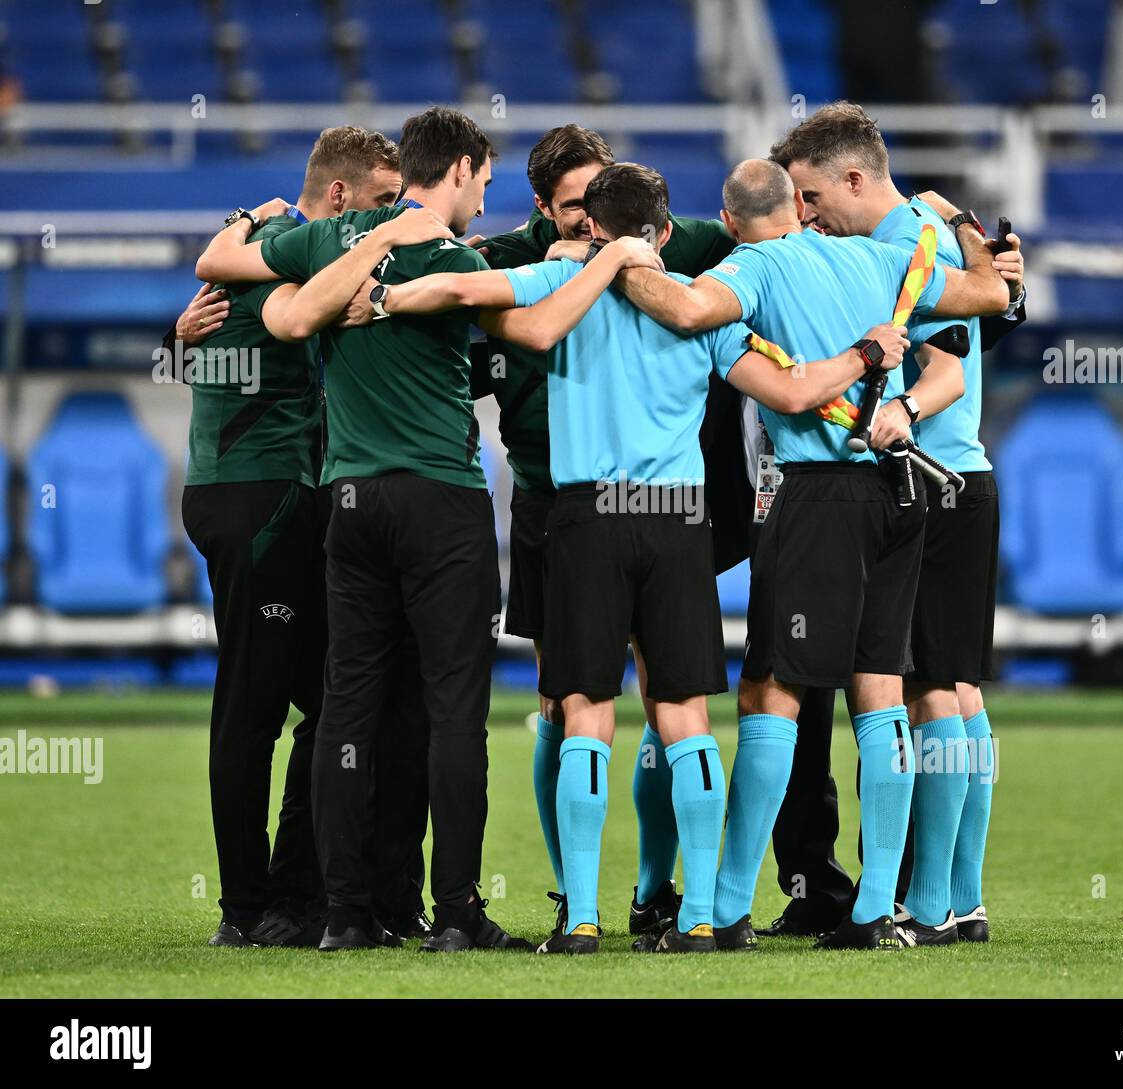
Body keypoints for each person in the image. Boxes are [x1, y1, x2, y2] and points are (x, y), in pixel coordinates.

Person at [369, 162, 911, 953]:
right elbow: (791, 390)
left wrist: (384, 297)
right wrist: (869, 357)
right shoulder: (701, 310)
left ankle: (582, 919)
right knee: (684, 717)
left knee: (585, 712)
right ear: (663, 230)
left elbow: (459, 292)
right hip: (677, 518)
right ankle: (698, 918)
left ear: (589, 224)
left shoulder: (557, 284)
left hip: (587, 512)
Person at [612, 157, 1010, 950]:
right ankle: (879, 912)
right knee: (882, 690)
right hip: (901, 496)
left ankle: (723, 912)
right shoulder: (880, 256)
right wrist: (965, 229)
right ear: (800, 204)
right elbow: (990, 297)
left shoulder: (752, 266)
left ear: (730, 222)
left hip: (818, 494)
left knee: (770, 695)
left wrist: (620, 264)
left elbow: (690, 312)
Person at [194, 107, 527, 952]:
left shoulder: (325, 246)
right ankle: (278, 907)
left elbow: (262, 316)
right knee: (308, 706)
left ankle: (341, 905)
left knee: (341, 705)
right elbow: (528, 323)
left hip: (334, 500)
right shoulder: (379, 246)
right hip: (307, 497)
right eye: (481, 182)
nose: (394, 211)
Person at [768, 104, 1025, 944]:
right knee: (956, 690)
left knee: (930, 692)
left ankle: (933, 902)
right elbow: (993, 304)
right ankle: (961, 894)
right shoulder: (926, 227)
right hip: (962, 479)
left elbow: (948, 368)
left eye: (811, 196)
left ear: (852, 178)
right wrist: (957, 213)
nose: (806, 216)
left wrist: (904, 407)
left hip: (932, 478)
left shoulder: (906, 246)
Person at [178, 127, 428, 948]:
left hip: (251, 492)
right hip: (265, 499)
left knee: (334, 699)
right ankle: (251, 907)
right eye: (383, 200)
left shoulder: (262, 243)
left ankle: (297, 890)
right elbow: (220, 276)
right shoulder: (293, 247)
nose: (393, 213)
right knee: (262, 703)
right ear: (341, 198)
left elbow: (207, 300)